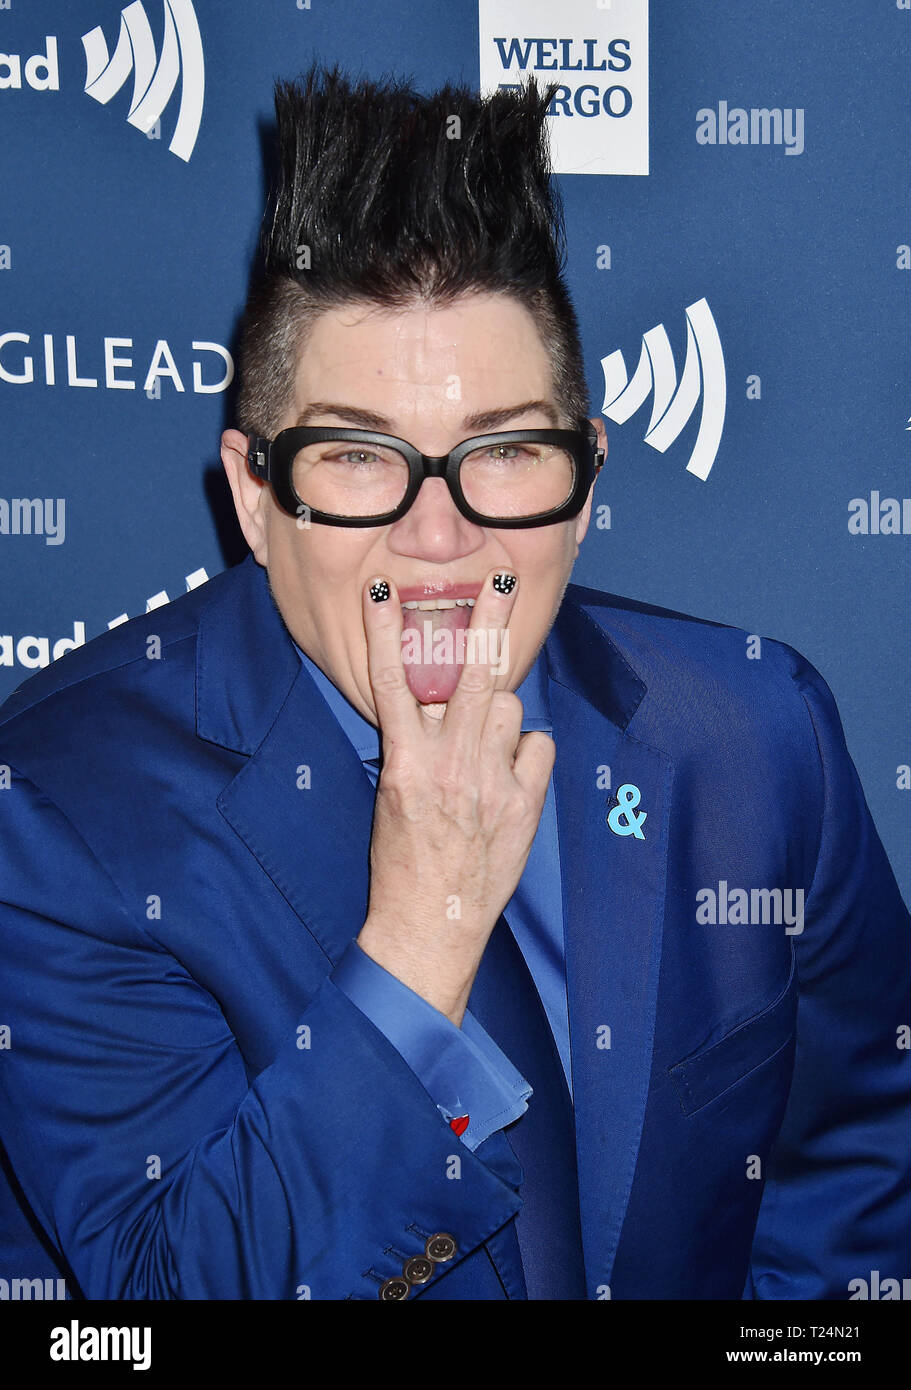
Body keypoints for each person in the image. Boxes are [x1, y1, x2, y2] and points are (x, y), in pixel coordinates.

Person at [0, 66, 909, 1302]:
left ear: (584, 480)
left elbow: (850, 1184)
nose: (438, 537)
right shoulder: (63, 812)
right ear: (255, 497)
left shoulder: (751, 736)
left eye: (505, 450)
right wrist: (422, 937)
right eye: (360, 457)